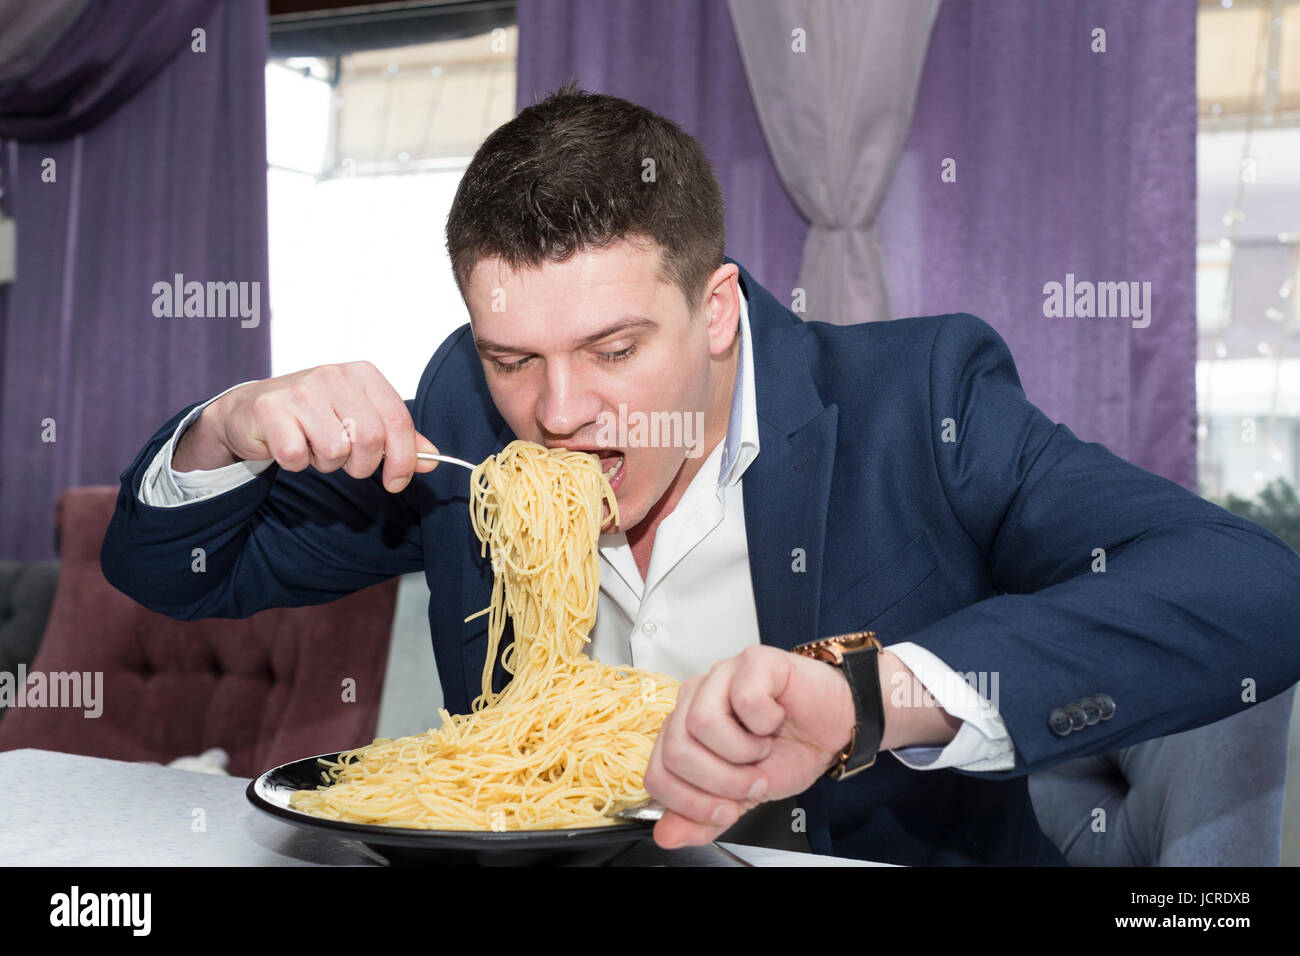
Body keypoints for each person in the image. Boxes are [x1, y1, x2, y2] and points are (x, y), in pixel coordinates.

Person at [101, 83, 1300, 865]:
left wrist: (870, 700)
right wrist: (231, 423)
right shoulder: (463, 420)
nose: (559, 415)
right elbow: (176, 568)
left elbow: (1250, 590)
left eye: (615, 349)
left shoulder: (911, 401)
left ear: (716, 308)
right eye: (515, 354)